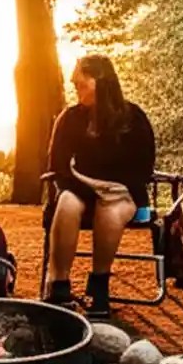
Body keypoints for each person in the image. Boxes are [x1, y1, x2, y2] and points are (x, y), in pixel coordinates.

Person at [43, 54, 155, 319]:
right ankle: (59, 286)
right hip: (80, 189)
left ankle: (99, 288)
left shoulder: (133, 118)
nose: (74, 85)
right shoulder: (69, 119)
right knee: (67, 203)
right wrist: (83, 185)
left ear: (101, 81)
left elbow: (144, 166)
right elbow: (58, 166)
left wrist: (114, 188)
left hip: (122, 193)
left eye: (81, 82)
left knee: (110, 210)